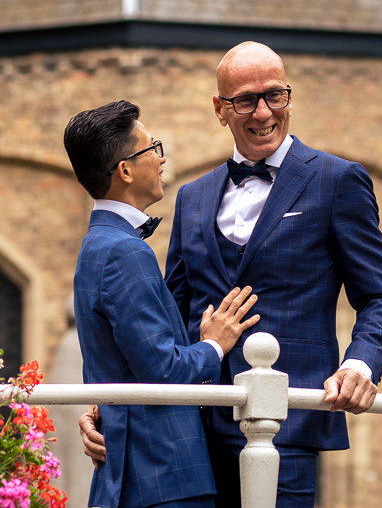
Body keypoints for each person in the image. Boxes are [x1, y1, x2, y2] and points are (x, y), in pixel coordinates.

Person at [82, 43, 382, 508]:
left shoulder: (338, 181)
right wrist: (112, 403)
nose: (263, 112)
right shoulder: (191, 196)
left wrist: (360, 365)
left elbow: (380, 298)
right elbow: (167, 319)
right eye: (246, 100)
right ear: (220, 109)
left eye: (276, 96)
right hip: (190, 433)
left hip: (288, 421)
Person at [65, 100, 263, 508]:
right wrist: (215, 343)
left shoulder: (96, 245)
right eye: (153, 148)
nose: (161, 158)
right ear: (125, 170)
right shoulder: (124, 251)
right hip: (163, 477)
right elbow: (163, 370)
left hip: (134, 474)